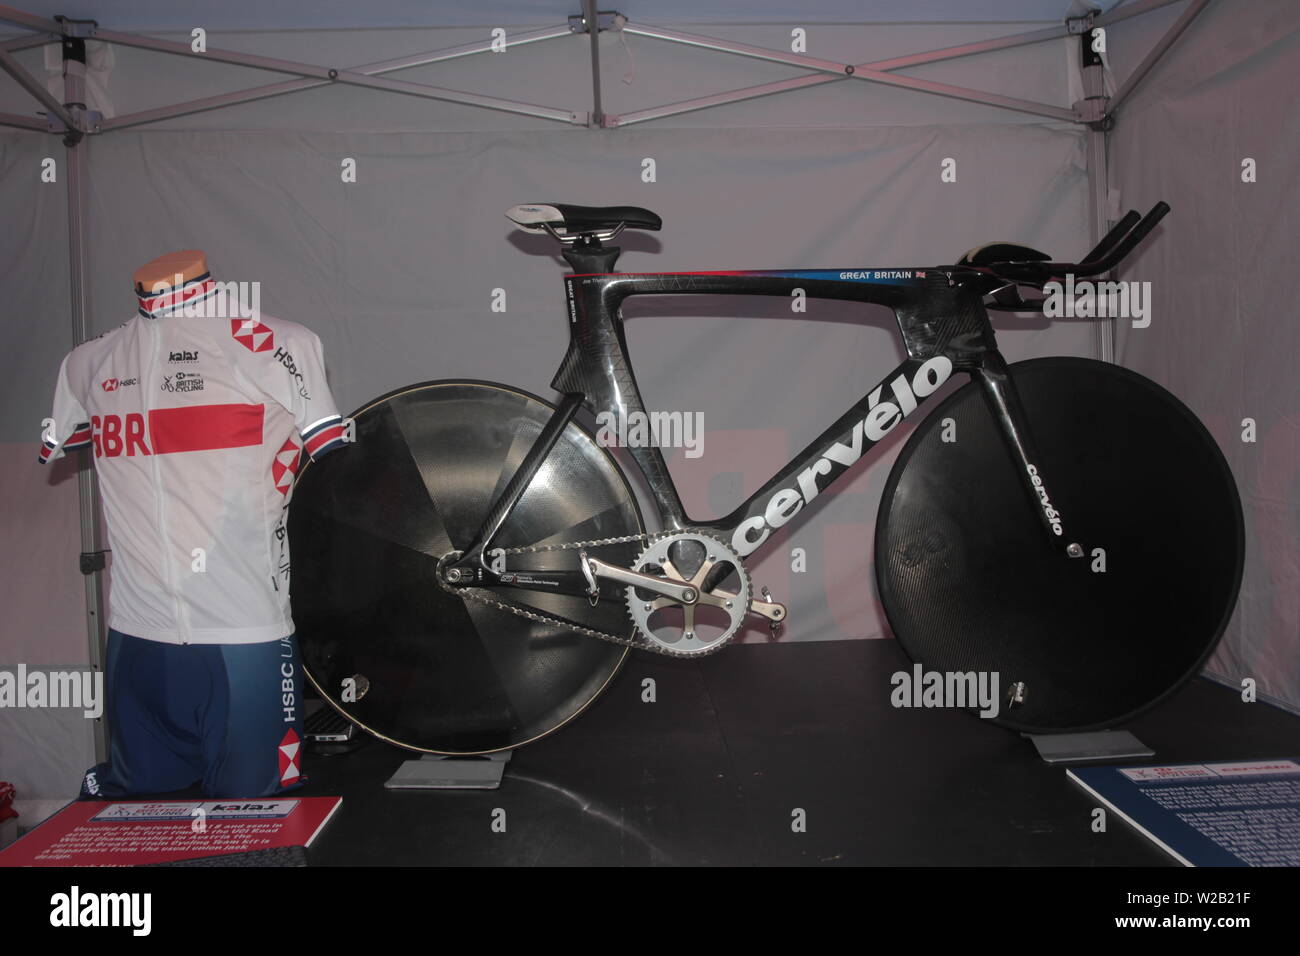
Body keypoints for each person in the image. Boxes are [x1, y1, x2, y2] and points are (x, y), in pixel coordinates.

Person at [39, 251, 349, 798]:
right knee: (142, 825)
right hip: (135, 639)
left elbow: (332, 460)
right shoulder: (88, 362)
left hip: (243, 636)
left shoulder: (278, 342)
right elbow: (62, 442)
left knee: (255, 834)